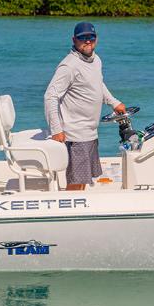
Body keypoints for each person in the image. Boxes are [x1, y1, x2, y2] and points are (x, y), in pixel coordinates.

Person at [44, 22, 126, 190]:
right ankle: (71, 205)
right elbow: (50, 96)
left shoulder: (96, 60)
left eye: (91, 37)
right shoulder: (69, 66)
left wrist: (113, 102)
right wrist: (56, 129)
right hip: (76, 134)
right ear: (74, 40)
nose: (88, 41)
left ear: (96, 39)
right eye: (83, 38)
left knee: (84, 180)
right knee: (76, 182)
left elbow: (98, 84)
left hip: (90, 132)